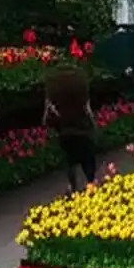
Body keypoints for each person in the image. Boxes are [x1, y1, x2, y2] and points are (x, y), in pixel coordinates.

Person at [44, 65, 97, 193]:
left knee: (70, 160)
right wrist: (93, 123)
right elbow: (88, 109)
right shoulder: (81, 93)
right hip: (82, 128)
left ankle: (73, 186)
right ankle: (90, 183)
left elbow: (48, 111)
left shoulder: (54, 93)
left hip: (64, 130)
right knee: (87, 157)